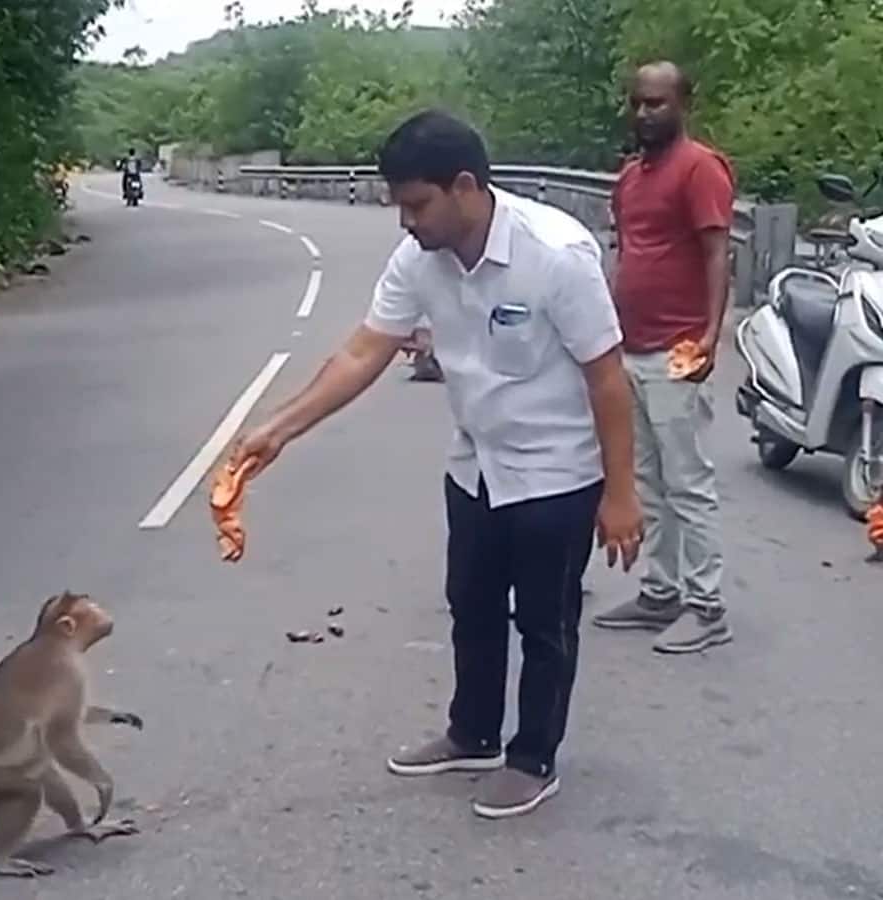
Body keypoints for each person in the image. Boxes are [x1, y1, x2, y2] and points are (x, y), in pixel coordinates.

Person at [230, 110, 643, 819]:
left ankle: (532, 757)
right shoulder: (418, 260)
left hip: (556, 474)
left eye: (416, 205)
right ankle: (474, 731)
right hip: (476, 464)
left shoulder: (556, 254)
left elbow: (608, 377)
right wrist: (279, 429)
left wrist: (622, 495)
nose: (406, 223)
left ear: (464, 187)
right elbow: (365, 351)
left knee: (546, 624)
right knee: (472, 605)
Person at [591, 61, 735, 654]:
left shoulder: (700, 168)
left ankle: (707, 606)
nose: (647, 113)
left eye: (658, 103)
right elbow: (628, 253)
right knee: (645, 478)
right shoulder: (630, 177)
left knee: (688, 482)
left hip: (677, 349)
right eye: (639, 103)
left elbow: (716, 254)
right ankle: (661, 592)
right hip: (631, 346)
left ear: (682, 104)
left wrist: (709, 335)